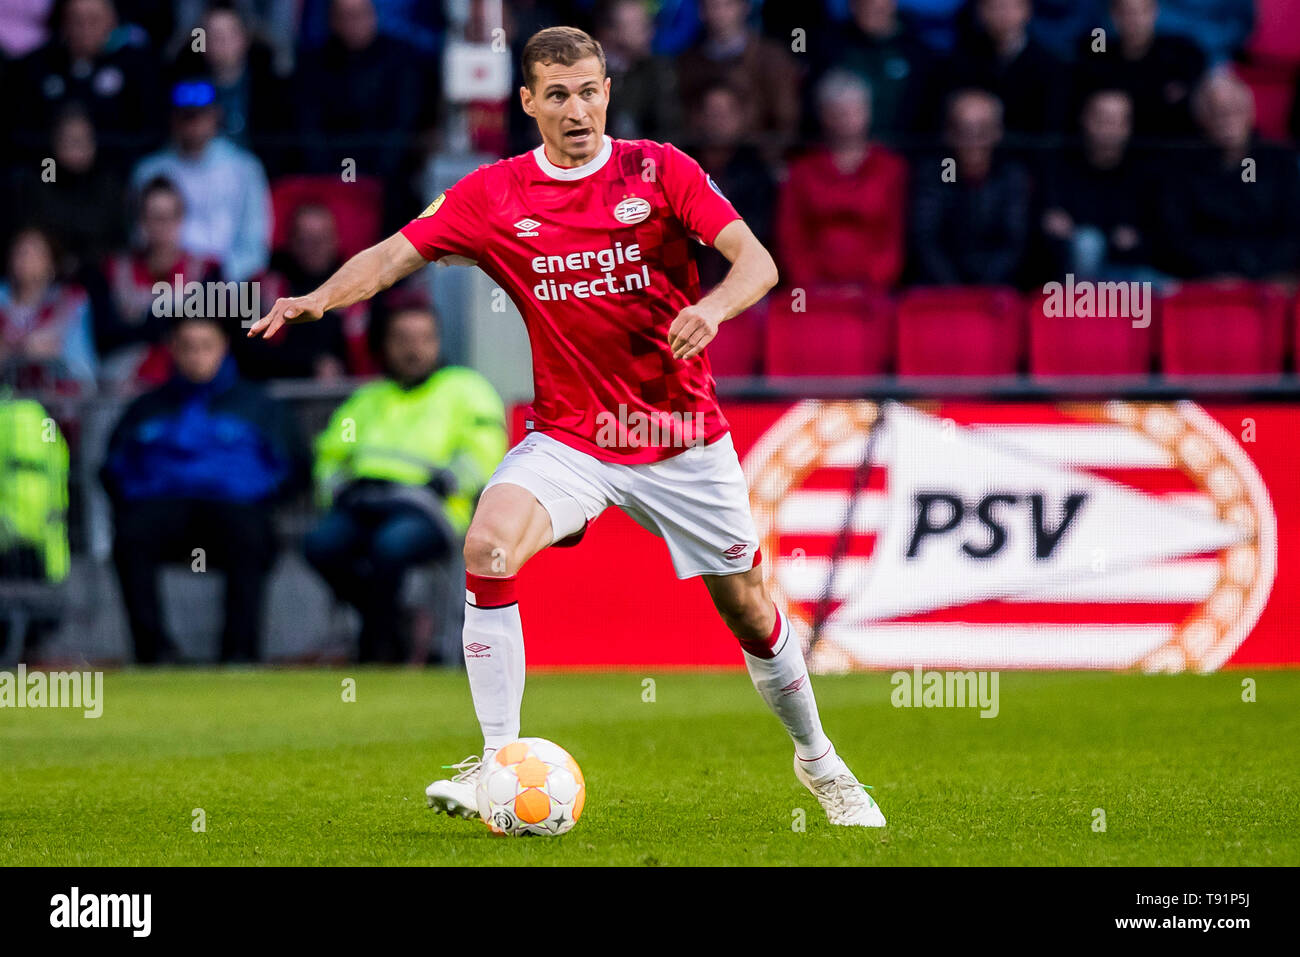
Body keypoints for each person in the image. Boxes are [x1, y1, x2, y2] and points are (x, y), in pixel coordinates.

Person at [249, 26, 887, 828]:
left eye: (588, 91)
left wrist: (713, 307)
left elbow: (757, 262)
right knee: (487, 546)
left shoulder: (660, 170)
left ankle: (819, 760)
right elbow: (391, 255)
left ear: (607, 93)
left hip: (681, 437)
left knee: (752, 613)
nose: (576, 109)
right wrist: (318, 298)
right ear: (529, 103)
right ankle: (497, 763)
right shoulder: (494, 194)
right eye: (557, 95)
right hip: (573, 435)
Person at [304, 304, 507, 662]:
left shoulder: (465, 388)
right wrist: (336, 488)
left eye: (424, 338)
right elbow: (330, 453)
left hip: (431, 508)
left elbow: (486, 448)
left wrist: (449, 482)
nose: (414, 349)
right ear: (384, 344)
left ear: (438, 341)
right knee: (320, 545)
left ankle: (380, 650)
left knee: (389, 548)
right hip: (364, 502)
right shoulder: (368, 397)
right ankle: (391, 623)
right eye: (402, 339)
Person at [101, 313, 305, 664]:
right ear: (172, 349)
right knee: (131, 536)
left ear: (224, 347)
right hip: (162, 506)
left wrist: (261, 500)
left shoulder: (260, 406)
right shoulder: (145, 408)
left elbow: (294, 467)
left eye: (206, 346)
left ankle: (239, 656)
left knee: (250, 535)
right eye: (188, 347)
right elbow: (113, 469)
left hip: (235, 508)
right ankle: (154, 656)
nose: (197, 356)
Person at [1153, 70, 1300, 280]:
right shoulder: (1180, 167)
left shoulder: (1279, 162)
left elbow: (1293, 231)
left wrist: (1256, 269)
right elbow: (1175, 237)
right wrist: (1220, 271)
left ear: (1250, 112)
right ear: (1201, 119)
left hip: (1270, 277)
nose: (1227, 120)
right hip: (1204, 279)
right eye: (1217, 112)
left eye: (1234, 110)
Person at [775, 70, 908, 289]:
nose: (847, 119)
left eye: (854, 110)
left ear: (868, 111)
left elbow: (894, 237)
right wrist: (812, 286)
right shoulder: (801, 172)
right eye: (838, 112)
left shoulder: (891, 168)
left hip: (875, 293)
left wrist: (871, 285)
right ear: (823, 115)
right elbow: (790, 237)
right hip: (813, 292)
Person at [130, 78, 272, 282]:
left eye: (200, 115)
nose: (193, 124)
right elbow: (139, 237)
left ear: (216, 115)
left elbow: (255, 245)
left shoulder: (245, 168)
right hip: (165, 281)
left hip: (228, 282)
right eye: (186, 116)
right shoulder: (148, 171)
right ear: (173, 118)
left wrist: (217, 279)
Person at [909, 88, 1032, 285]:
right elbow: (927, 240)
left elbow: (1013, 243)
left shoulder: (1010, 174)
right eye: (964, 130)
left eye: (983, 130)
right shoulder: (942, 170)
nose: (973, 141)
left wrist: (983, 288)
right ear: (949, 134)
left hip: (997, 287)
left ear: (997, 132)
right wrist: (954, 289)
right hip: (942, 287)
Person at [1040, 89, 1157, 281]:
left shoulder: (1144, 172)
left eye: (1119, 121)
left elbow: (1159, 236)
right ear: (1084, 119)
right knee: (1088, 243)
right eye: (1103, 119)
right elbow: (1051, 231)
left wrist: (1137, 240)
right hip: (1073, 278)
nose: (1110, 130)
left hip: (1126, 271)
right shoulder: (1060, 168)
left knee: (1162, 285)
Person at [0, 227, 97, 391]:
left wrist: (53, 355)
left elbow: (84, 369)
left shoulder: (70, 302)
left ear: (51, 263)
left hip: (55, 398)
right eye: (20, 252)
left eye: (35, 254)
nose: (26, 260)